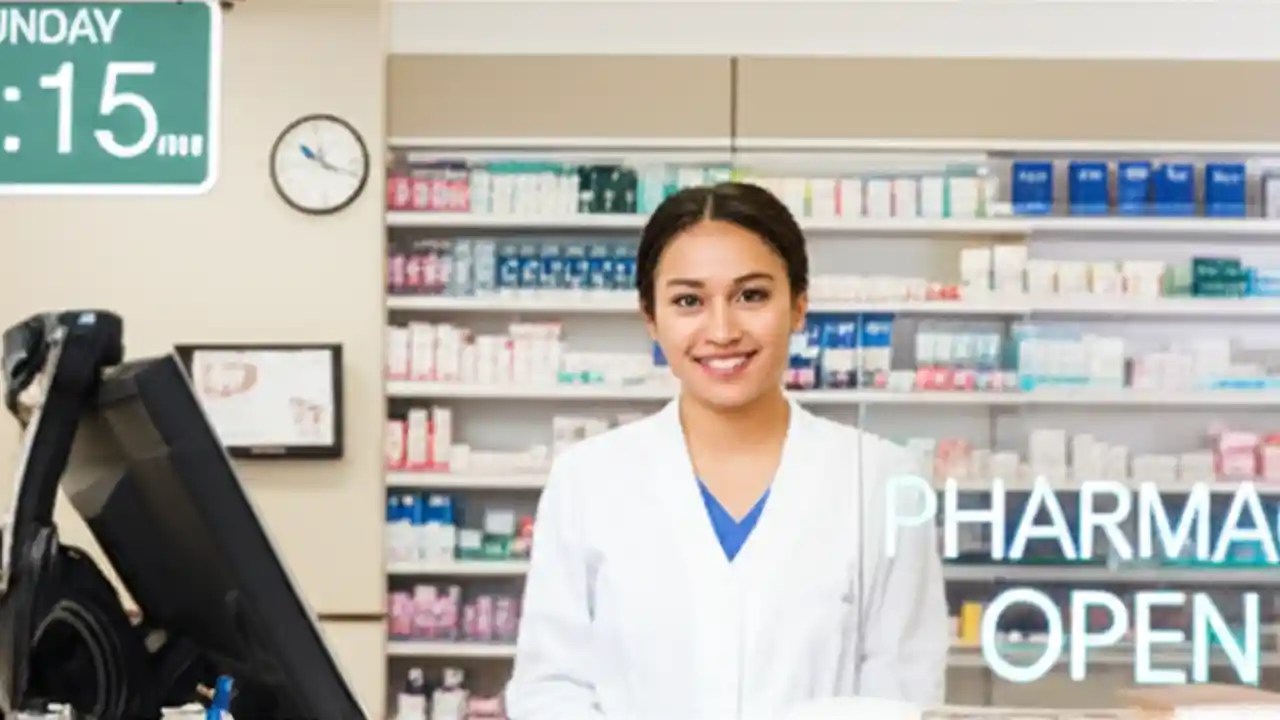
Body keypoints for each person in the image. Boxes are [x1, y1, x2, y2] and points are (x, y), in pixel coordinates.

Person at [504, 182, 950, 720]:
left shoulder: (879, 478)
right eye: (688, 301)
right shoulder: (589, 479)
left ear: (799, 305)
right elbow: (550, 688)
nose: (721, 330)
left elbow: (902, 693)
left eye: (752, 295)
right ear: (651, 318)